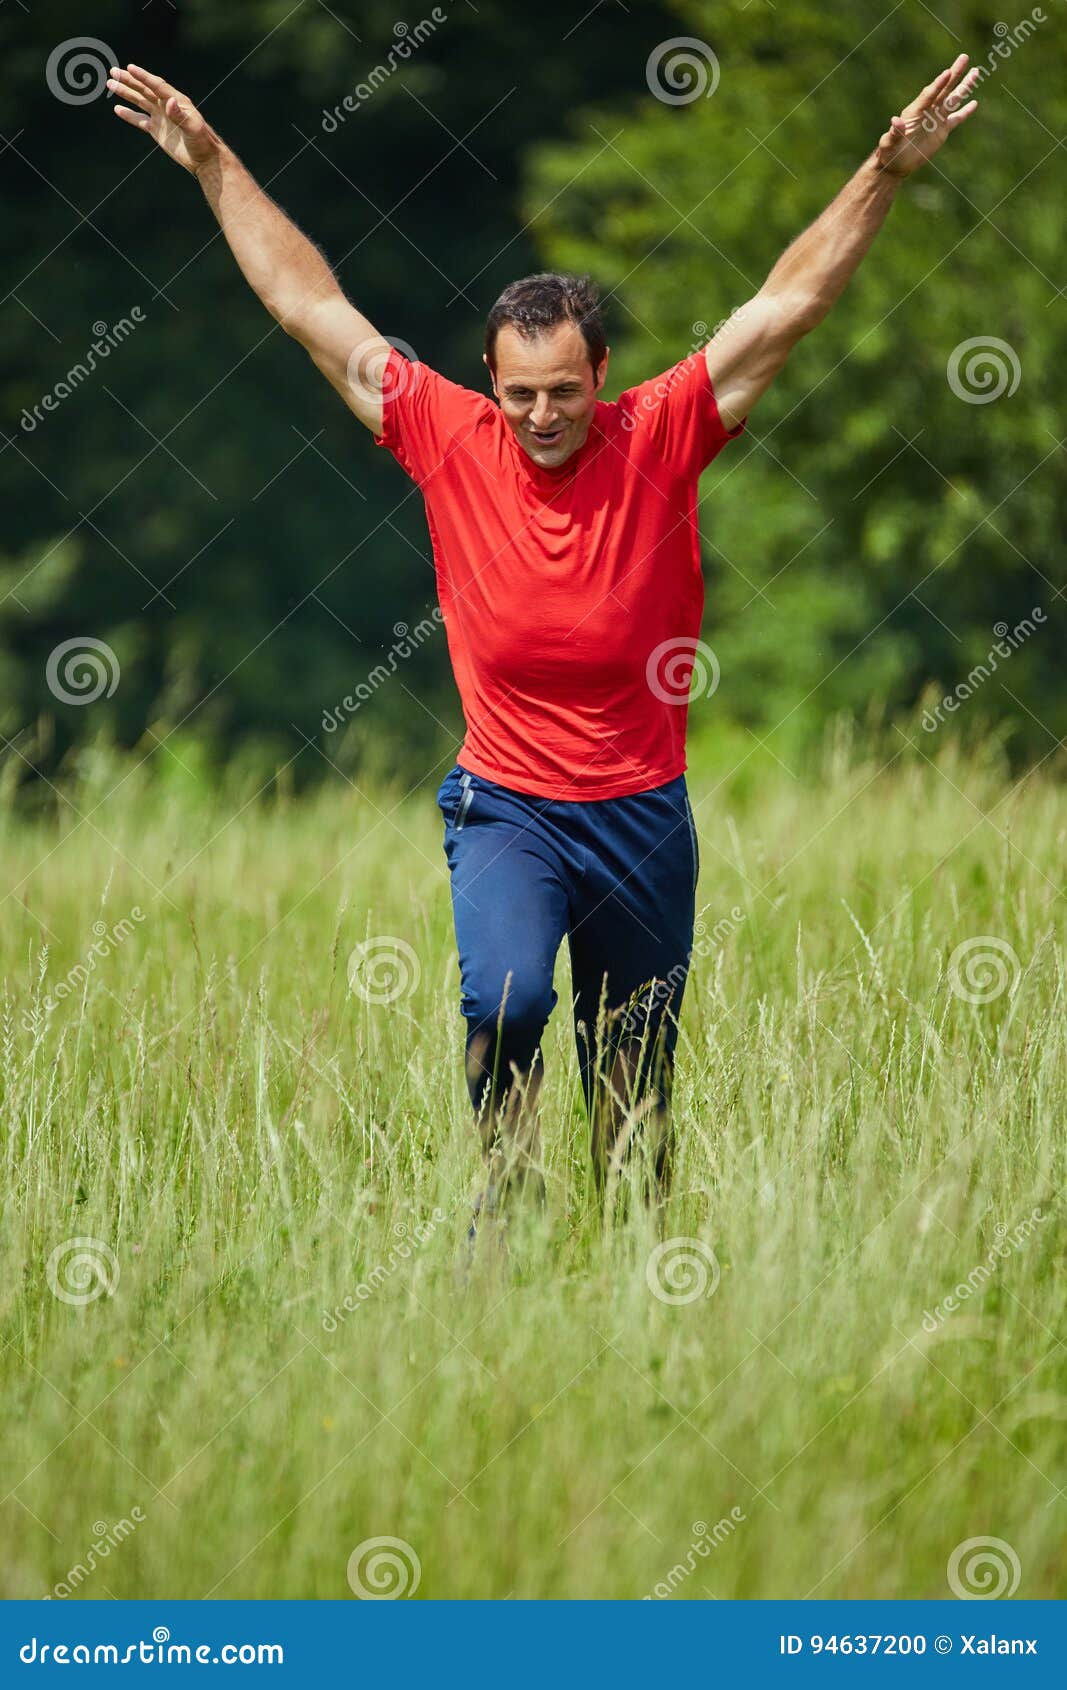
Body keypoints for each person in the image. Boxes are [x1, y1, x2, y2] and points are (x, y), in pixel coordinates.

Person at [107, 54, 980, 1222]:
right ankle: (505, 1201)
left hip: (639, 815)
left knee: (631, 1097)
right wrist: (214, 164)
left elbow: (785, 306)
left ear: (599, 374)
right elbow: (309, 308)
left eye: (563, 392)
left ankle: (630, 1279)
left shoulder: (661, 432)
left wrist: (880, 172)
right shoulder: (443, 431)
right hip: (507, 807)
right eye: (520, 395)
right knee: (511, 1001)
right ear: (489, 379)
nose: (541, 416)